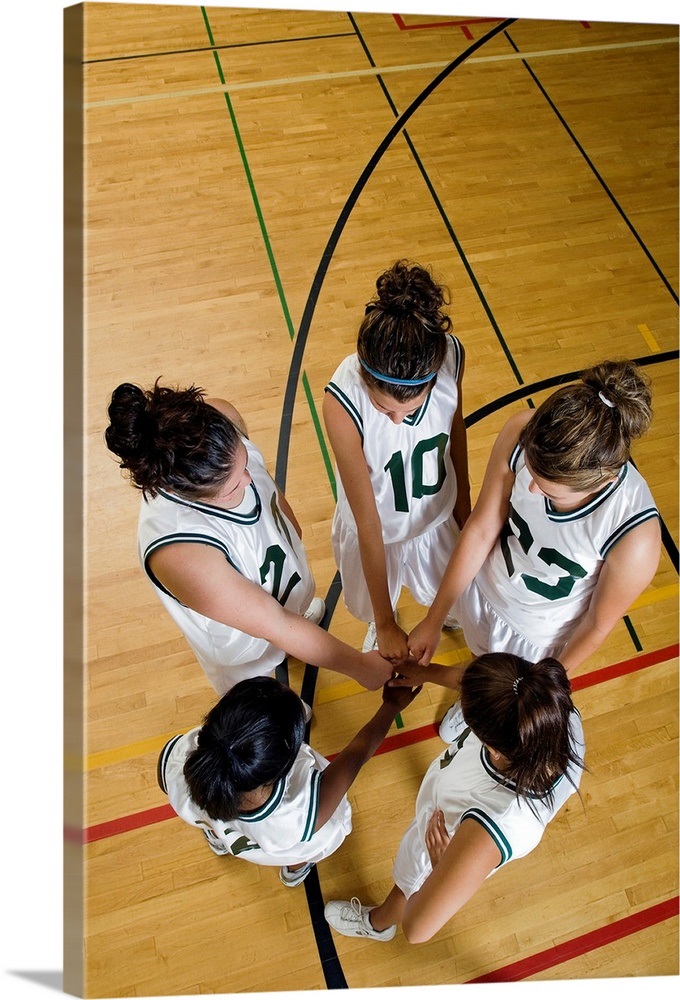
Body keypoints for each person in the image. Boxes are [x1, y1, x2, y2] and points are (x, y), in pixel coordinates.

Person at [401, 359, 661, 739]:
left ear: (601, 479)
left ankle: (478, 704)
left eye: (549, 489)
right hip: (487, 586)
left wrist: (543, 683)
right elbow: (482, 526)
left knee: (499, 685)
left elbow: (596, 624)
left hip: (536, 632)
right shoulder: (522, 430)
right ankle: (474, 694)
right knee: (480, 660)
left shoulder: (634, 537)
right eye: (533, 476)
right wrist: (434, 618)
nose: (533, 491)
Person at [105, 381, 393, 696]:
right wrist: (361, 667)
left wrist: (289, 524)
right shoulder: (178, 551)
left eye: (243, 463)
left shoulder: (222, 414)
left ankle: (301, 635)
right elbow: (276, 624)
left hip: (279, 597)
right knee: (261, 691)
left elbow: (262, 480)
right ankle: (284, 709)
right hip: (243, 645)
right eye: (232, 487)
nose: (248, 478)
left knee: (293, 623)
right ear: (192, 496)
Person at [324, 652, 585, 942]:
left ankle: (378, 924)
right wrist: (427, 672)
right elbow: (481, 684)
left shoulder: (490, 828)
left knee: (407, 883)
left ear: (494, 748)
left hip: (441, 844)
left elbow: (418, 930)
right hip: (450, 801)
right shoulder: (547, 707)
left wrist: (440, 868)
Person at [322, 259, 471, 665]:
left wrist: (464, 507)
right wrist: (387, 623)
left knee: (454, 602)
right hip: (376, 532)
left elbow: (456, 430)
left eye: (408, 408)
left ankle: (446, 614)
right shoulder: (342, 401)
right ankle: (378, 616)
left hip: (434, 515)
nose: (398, 419)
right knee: (374, 606)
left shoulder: (451, 358)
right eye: (383, 408)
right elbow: (368, 521)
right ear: (365, 380)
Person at [157, 675, 421, 886]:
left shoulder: (181, 758)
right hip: (284, 842)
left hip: (232, 828)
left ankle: (217, 837)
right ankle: (294, 871)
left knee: (214, 822)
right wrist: (391, 706)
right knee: (304, 851)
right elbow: (357, 754)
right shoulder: (303, 812)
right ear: (284, 765)